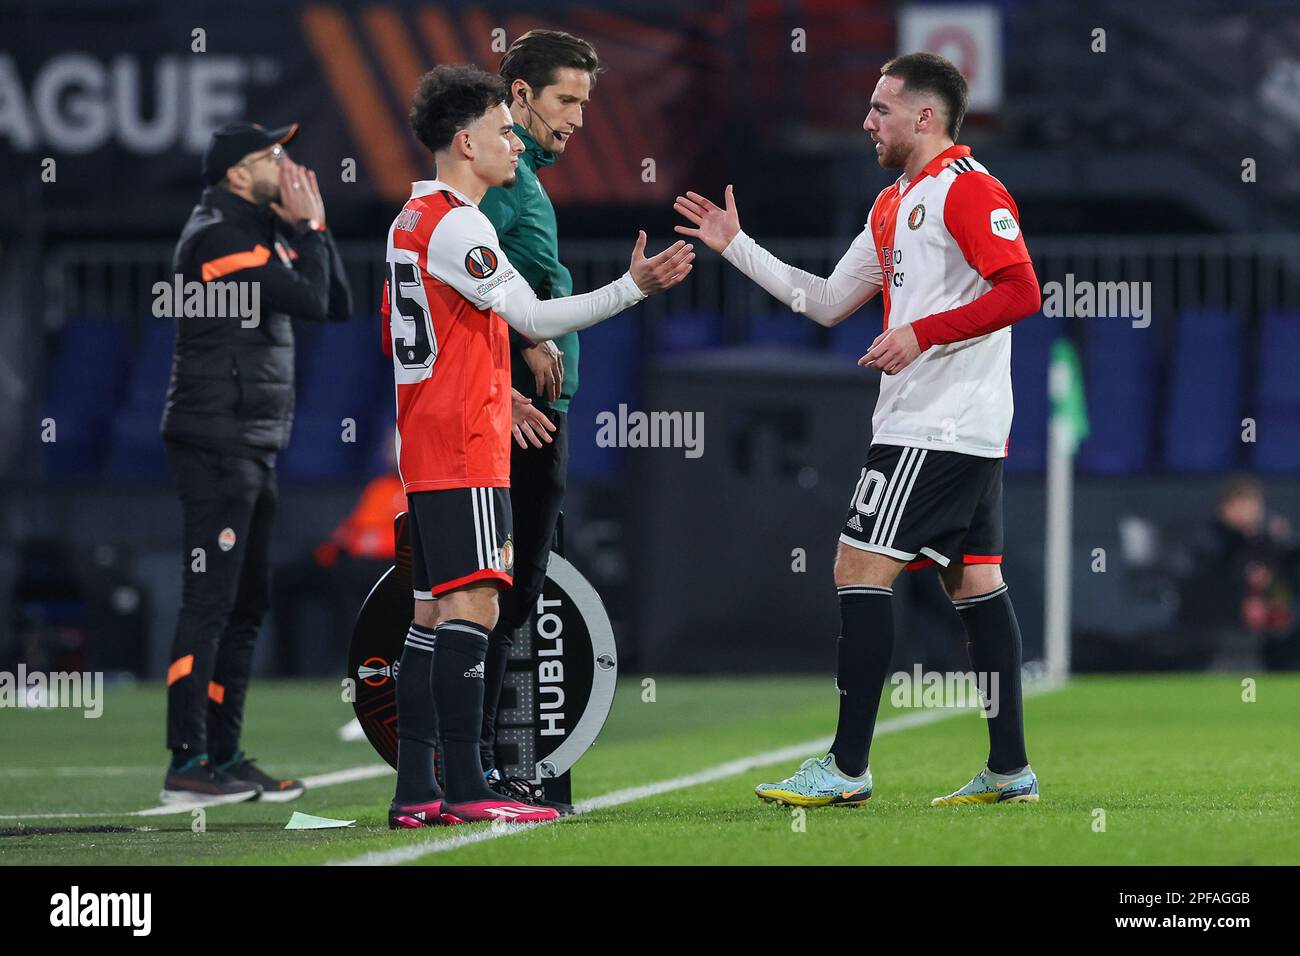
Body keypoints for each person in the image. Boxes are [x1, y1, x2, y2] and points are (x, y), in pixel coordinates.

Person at [674, 52, 1042, 808]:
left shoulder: (968, 191)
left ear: (925, 118)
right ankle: (1010, 770)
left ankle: (847, 768)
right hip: (948, 423)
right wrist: (735, 246)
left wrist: (922, 334)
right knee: (973, 579)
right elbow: (825, 301)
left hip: (935, 422)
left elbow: (1022, 288)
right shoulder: (891, 204)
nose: (867, 121)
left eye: (881, 109)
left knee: (855, 567)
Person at [383, 64, 692, 828]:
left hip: (426, 440)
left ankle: (416, 790)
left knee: (430, 615)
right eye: (500, 131)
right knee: (475, 606)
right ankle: (464, 786)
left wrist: (502, 383)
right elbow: (537, 316)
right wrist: (633, 289)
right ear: (464, 142)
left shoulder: (410, 220)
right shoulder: (460, 224)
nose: (513, 143)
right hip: (463, 444)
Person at [159, 120, 353, 804]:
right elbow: (309, 299)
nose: (287, 164)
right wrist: (310, 229)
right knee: (210, 600)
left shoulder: (257, 230)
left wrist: (314, 227)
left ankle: (224, 752)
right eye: (273, 155)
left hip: (250, 438)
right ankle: (187, 762)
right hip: (215, 439)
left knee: (245, 604)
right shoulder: (217, 235)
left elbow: (337, 302)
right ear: (238, 174)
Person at [475, 29, 600, 812]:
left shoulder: (522, 177)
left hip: (534, 412)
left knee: (508, 597)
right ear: (519, 96)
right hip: (517, 419)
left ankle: (482, 765)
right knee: (494, 598)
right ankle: (475, 769)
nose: (579, 119)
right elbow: (455, 277)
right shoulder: (499, 174)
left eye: (585, 103)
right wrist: (516, 355)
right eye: (567, 100)